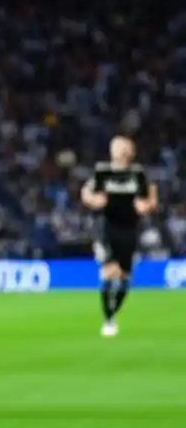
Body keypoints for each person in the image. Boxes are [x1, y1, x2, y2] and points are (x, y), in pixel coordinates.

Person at [81, 135, 157, 337]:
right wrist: (93, 200)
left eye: (127, 149)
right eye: (120, 149)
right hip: (107, 226)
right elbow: (86, 191)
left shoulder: (137, 174)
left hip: (130, 228)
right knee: (109, 271)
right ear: (113, 152)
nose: (124, 153)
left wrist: (147, 205)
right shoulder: (104, 172)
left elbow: (151, 196)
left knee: (125, 277)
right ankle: (108, 320)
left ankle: (112, 313)